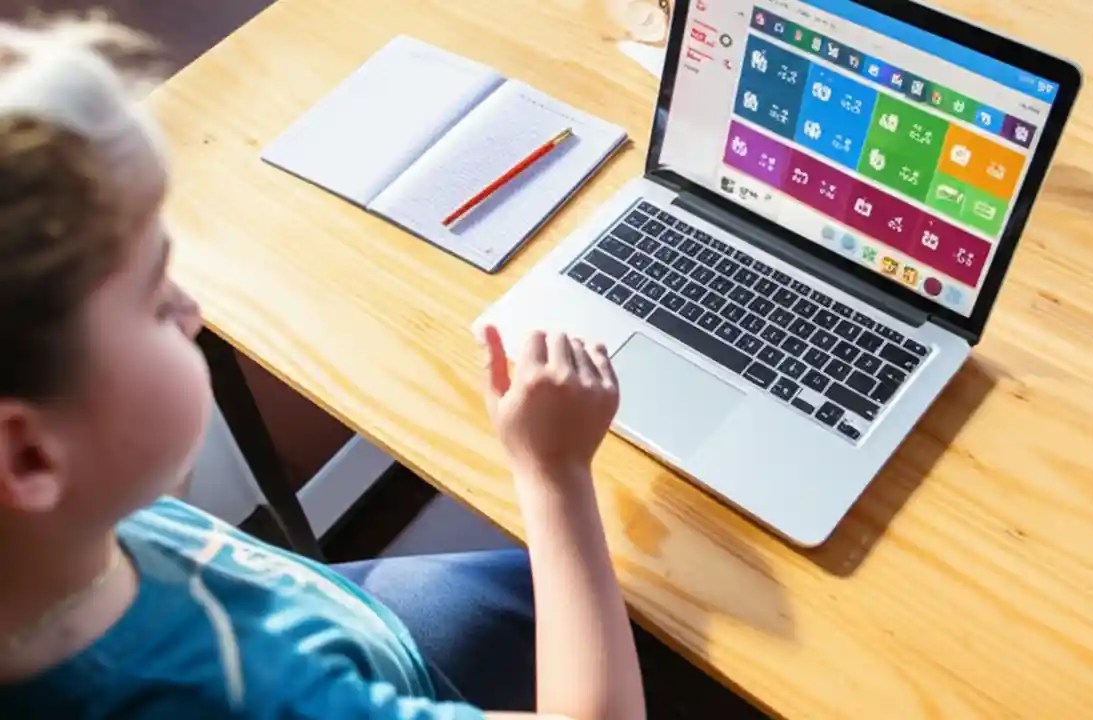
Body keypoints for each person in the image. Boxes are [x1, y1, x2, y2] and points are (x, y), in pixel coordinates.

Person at [0, 18, 645, 720]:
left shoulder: (58, 538)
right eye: (156, 302)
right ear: (31, 455)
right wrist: (555, 473)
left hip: (343, 619)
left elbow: (156, 503)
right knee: (636, 607)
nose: (193, 311)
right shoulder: (249, 703)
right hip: (358, 665)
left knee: (568, 591)